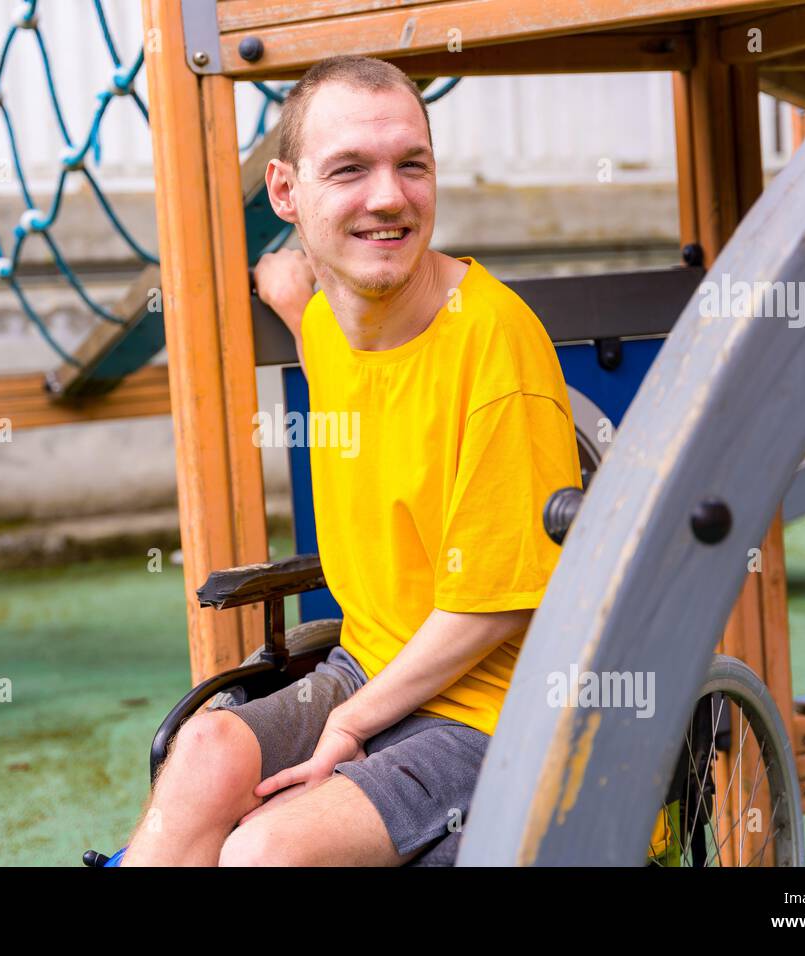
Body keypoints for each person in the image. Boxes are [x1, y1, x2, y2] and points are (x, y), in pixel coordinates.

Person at [121, 54, 581, 866]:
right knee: (201, 753)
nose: (388, 197)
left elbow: (497, 606)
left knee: (263, 852)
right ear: (286, 194)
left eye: (413, 166)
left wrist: (353, 721)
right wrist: (290, 290)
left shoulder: (495, 347)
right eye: (350, 170)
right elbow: (332, 331)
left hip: (499, 718)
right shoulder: (334, 323)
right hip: (371, 665)